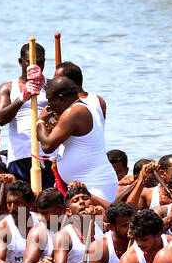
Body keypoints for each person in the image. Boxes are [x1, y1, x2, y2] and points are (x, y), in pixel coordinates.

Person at [39, 75, 117, 204]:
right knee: (82, 223)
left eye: (50, 100)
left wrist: (40, 121)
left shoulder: (74, 112)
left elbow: (47, 146)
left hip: (96, 183)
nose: (48, 105)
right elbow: (46, 136)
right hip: (81, 186)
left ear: (61, 99)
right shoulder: (76, 109)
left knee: (95, 223)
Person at [0, 41, 46, 182]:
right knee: (21, 201)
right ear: (21, 62)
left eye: (40, 63)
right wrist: (21, 98)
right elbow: (1, 119)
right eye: (30, 62)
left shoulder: (51, 86)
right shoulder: (8, 88)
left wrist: (44, 82)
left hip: (48, 154)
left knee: (49, 200)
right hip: (20, 155)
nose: (35, 66)